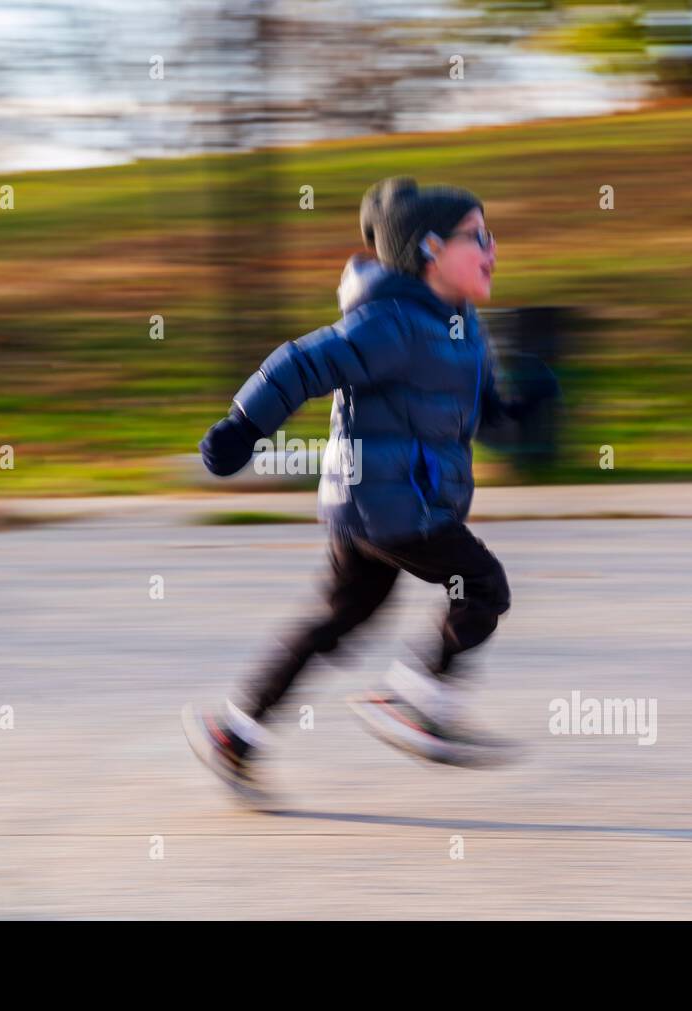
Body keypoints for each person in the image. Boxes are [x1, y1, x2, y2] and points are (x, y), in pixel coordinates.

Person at [183, 176, 559, 802]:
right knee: (482, 586)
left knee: (342, 617)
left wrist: (524, 412)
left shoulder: (466, 331)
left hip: (379, 506)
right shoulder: (389, 322)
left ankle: (236, 732)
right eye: (480, 237)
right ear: (431, 249)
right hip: (391, 503)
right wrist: (242, 427)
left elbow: (483, 418)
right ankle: (412, 700)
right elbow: (302, 363)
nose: (494, 248)